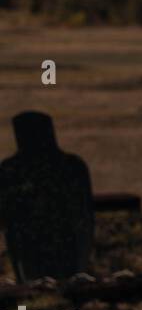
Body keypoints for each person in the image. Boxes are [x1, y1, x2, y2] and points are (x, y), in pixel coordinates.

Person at [0, 111, 94, 282]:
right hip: (52, 246)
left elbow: (9, 223)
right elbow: (84, 219)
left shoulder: (10, 170)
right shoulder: (72, 167)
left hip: (37, 247)